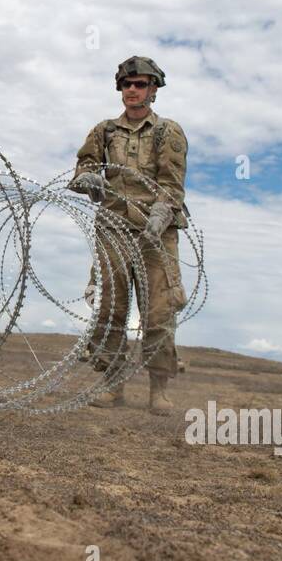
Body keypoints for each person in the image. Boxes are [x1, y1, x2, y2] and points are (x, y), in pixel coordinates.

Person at [69, 56, 188, 414]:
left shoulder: (169, 132)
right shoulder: (103, 131)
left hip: (157, 232)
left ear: (153, 89)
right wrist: (87, 180)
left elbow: (172, 182)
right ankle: (112, 386)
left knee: (159, 311)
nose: (132, 90)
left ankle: (158, 390)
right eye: (126, 84)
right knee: (112, 309)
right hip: (114, 227)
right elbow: (85, 166)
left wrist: (162, 212)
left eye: (140, 84)